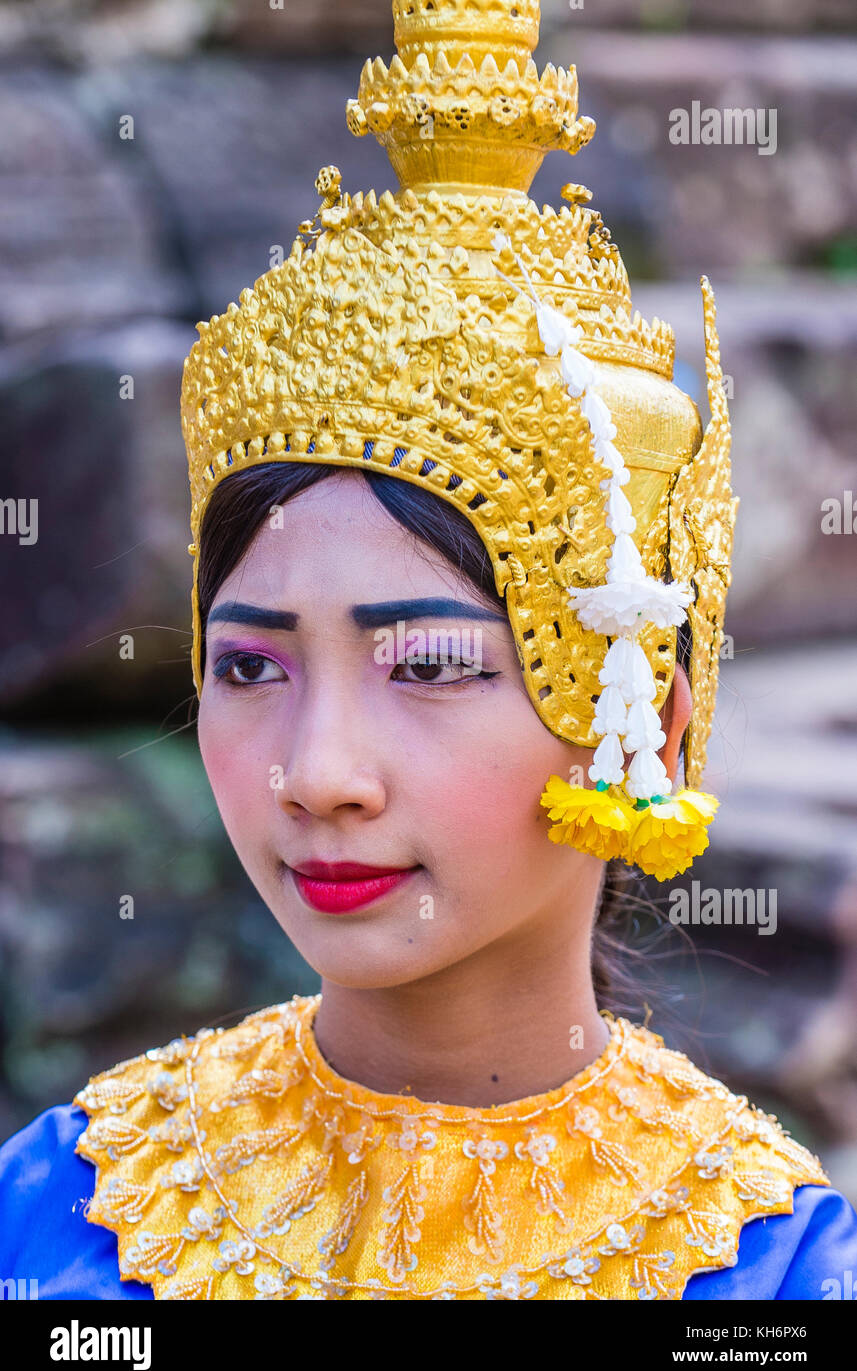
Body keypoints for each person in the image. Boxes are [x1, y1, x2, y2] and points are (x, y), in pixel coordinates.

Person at [1, 0, 855, 1301]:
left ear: (648, 721)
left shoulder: (769, 1279)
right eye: (249, 664)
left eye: (429, 664)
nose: (317, 771)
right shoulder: (67, 1206)